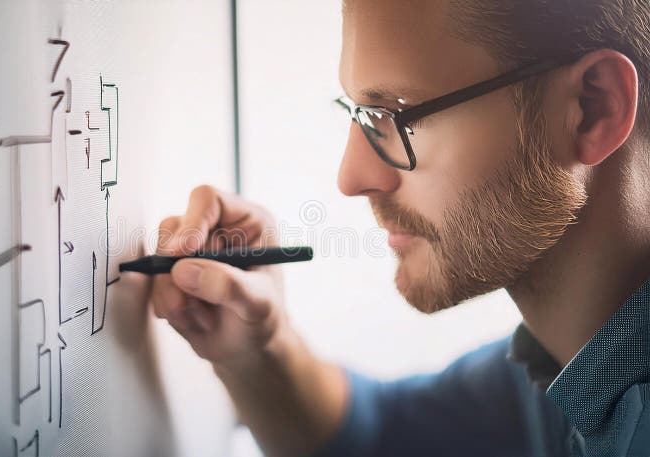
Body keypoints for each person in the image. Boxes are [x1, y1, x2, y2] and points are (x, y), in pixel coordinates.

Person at [148, 1, 650, 455]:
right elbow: (384, 435)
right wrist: (258, 347)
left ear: (592, 109)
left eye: (397, 114)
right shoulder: (566, 364)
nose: (352, 178)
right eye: (361, 113)